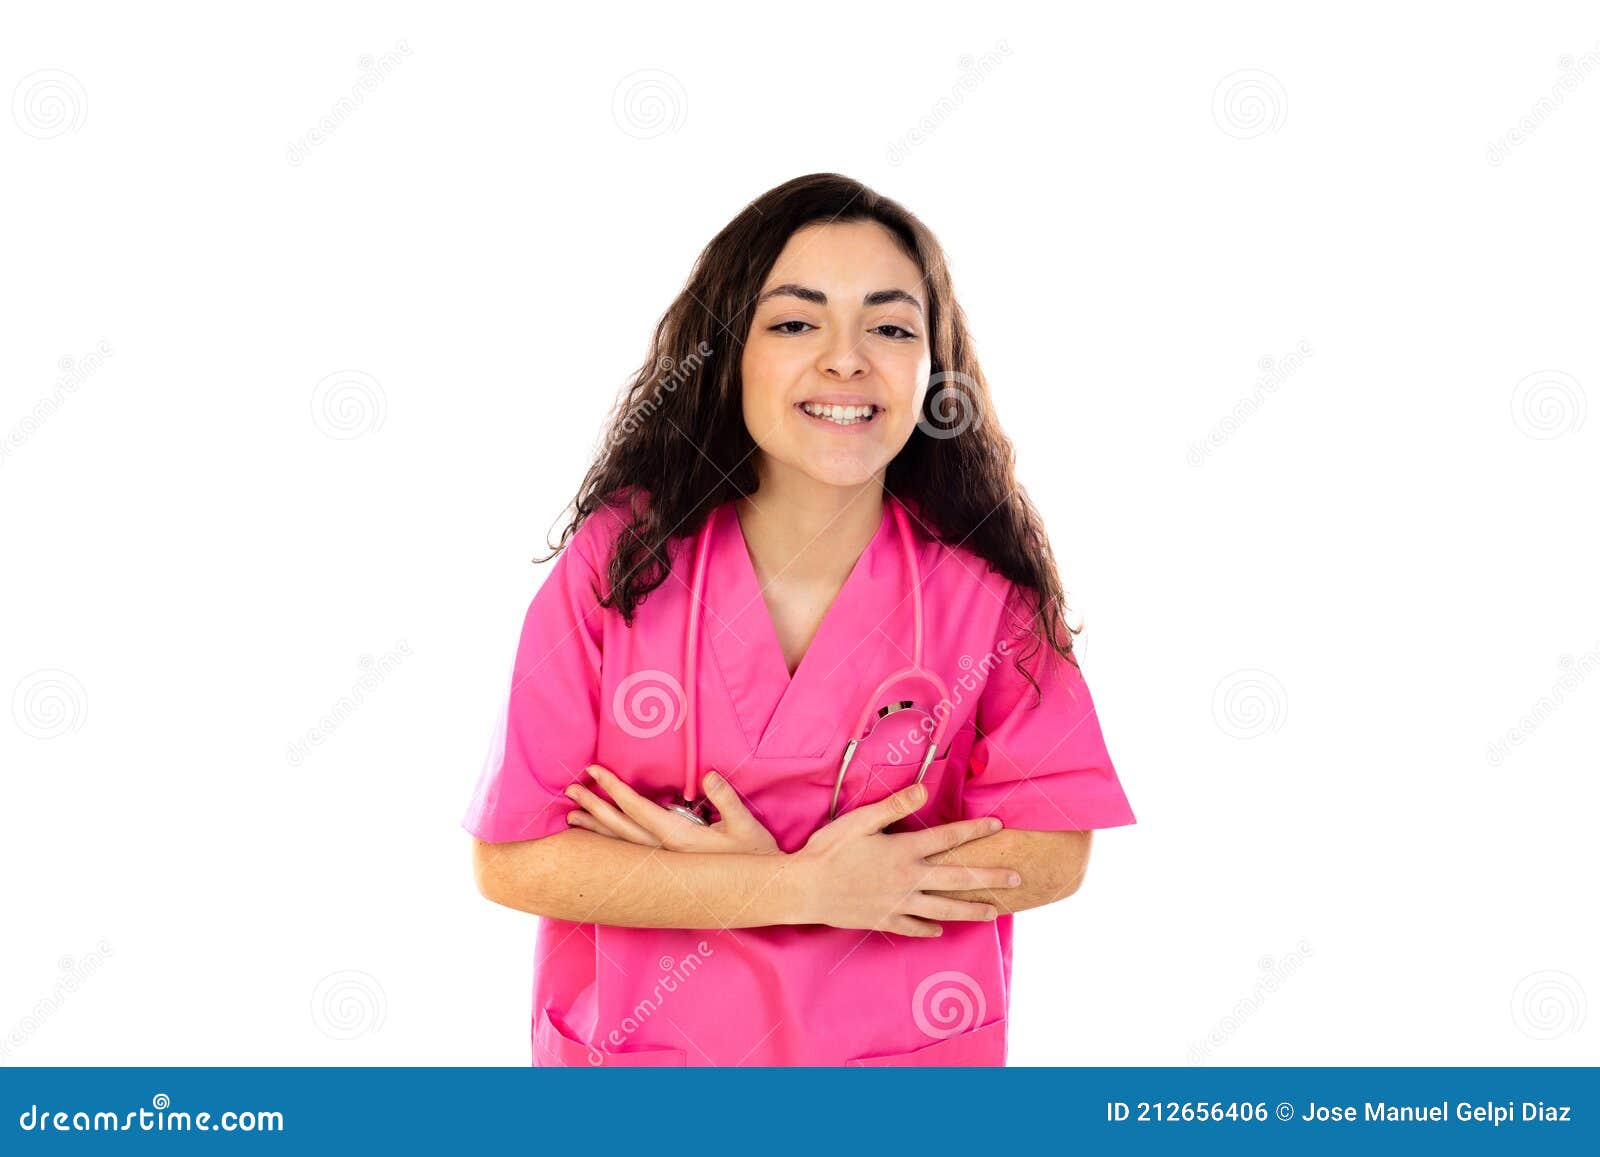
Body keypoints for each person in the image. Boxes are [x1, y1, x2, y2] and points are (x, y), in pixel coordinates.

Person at [464, 172, 1136, 1066]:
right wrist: (806, 885)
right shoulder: (622, 562)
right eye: (794, 322)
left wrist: (741, 878)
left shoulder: (982, 590)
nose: (846, 359)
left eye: (892, 327)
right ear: (728, 353)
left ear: (933, 371)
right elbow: (514, 860)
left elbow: (1056, 846)